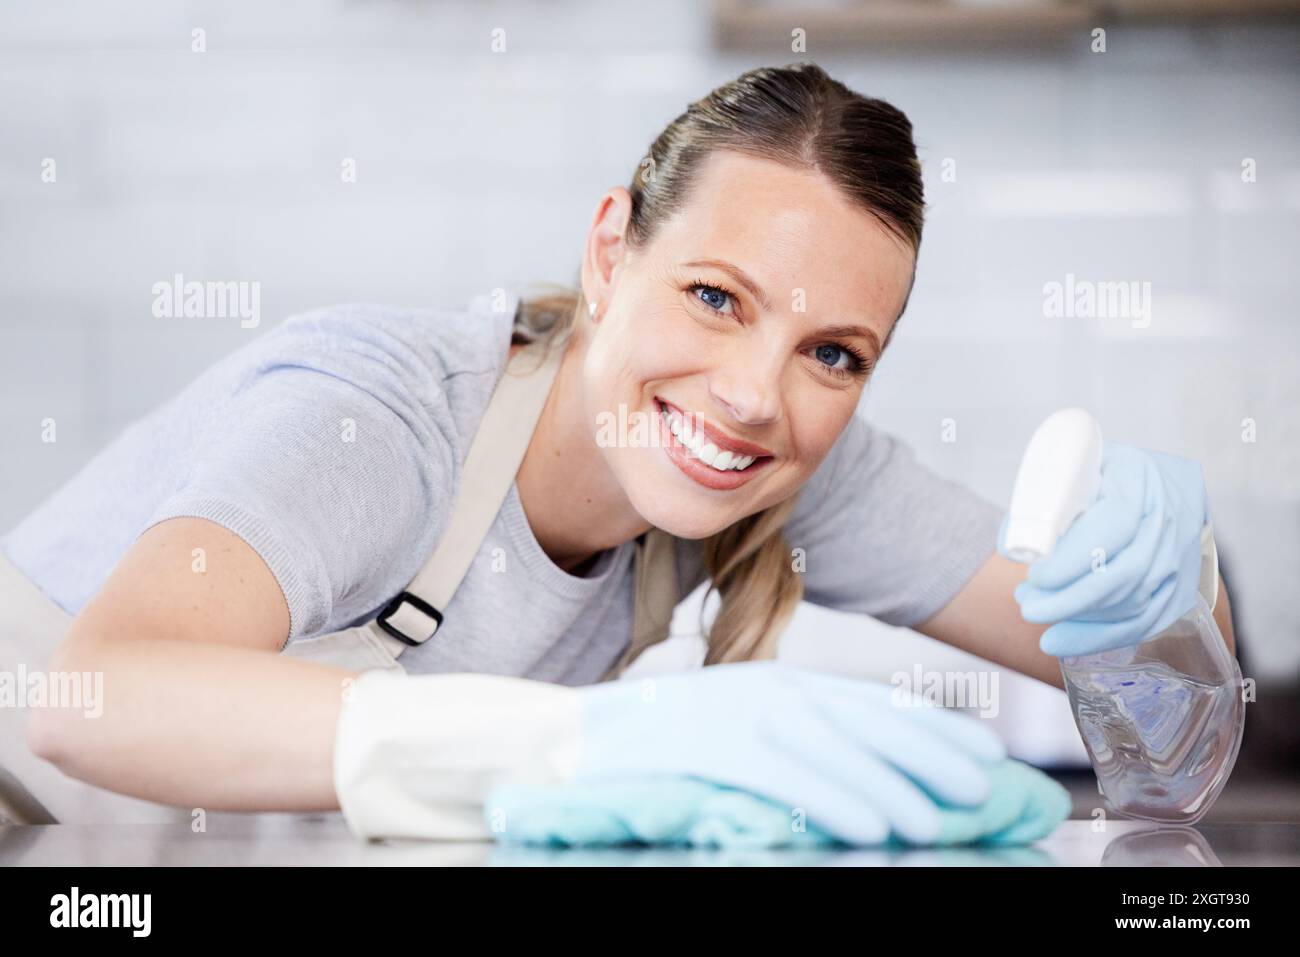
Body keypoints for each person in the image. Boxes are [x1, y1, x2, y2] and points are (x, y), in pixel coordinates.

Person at [0, 63, 1236, 842]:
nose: (754, 396)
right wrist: (575, 747)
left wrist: (1171, 593)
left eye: (834, 352)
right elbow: (89, 702)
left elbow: (1151, 694)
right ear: (609, 252)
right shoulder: (377, 415)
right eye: (713, 296)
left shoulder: (783, 467)